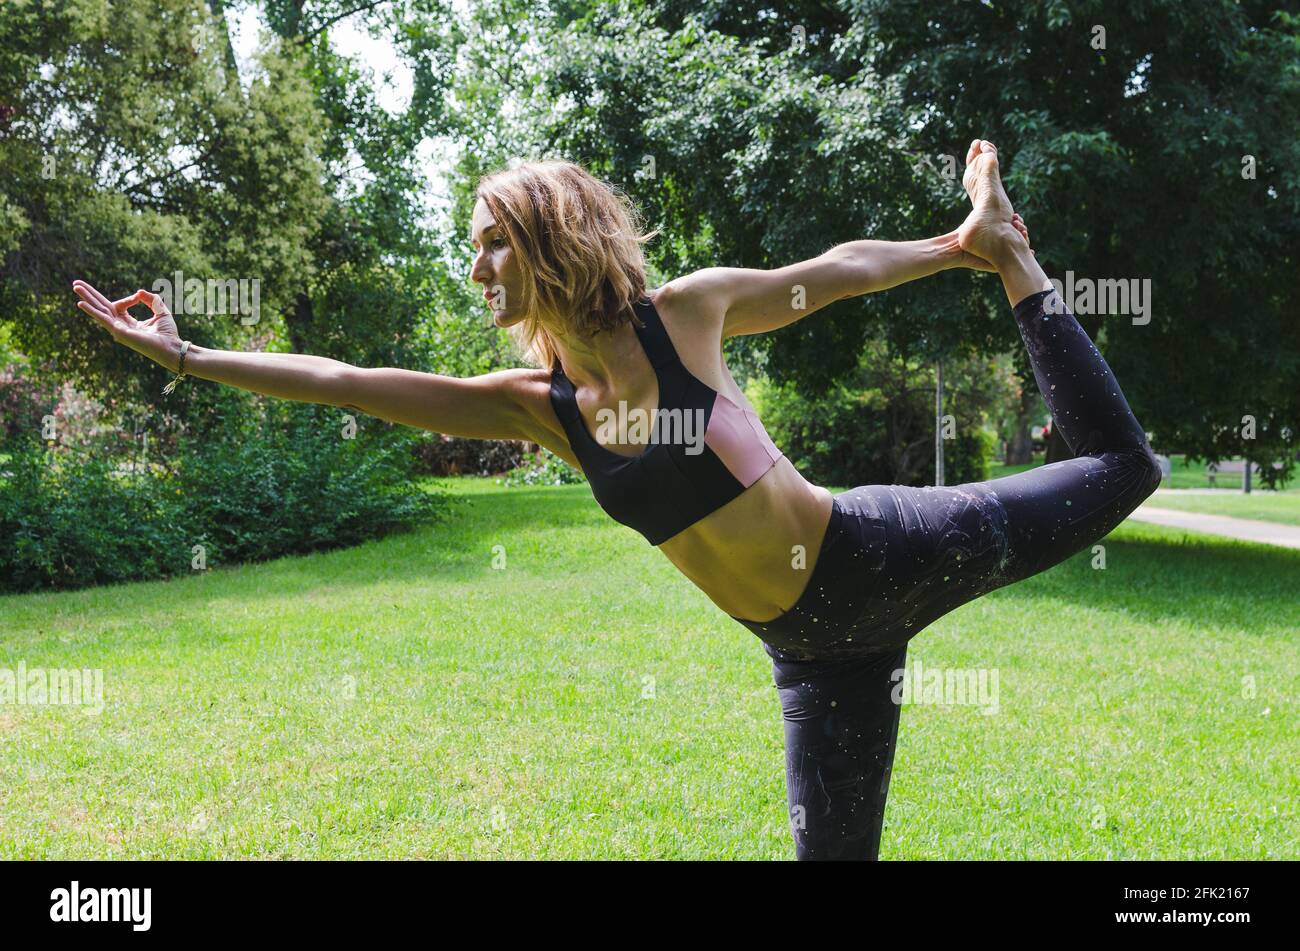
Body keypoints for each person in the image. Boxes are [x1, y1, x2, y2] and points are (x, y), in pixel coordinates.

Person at [73, 139, 1161, 860]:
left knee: (1126, 470)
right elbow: (348, 382)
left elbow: (838, 270)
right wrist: (191, 357)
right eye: (472, 246)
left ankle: (1013, 257)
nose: (478, 266)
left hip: (878, 553)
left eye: (494, 239)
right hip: (815, 656)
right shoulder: (535, 406)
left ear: (550, 238)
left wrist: (959, 249)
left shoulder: (686, 317)